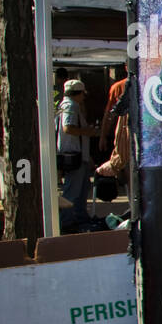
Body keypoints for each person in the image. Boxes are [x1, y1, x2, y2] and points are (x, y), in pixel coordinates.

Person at [56, 78, 100, 231]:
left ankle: (79, 218)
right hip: (74, 155)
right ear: (79, 93)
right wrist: (87, 131)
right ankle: (66, 222)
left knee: (80, 190)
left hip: (77, 155)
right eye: (83, 94)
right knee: (73, 191)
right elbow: (68, 128)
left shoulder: (67, 105)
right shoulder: (71, 106)